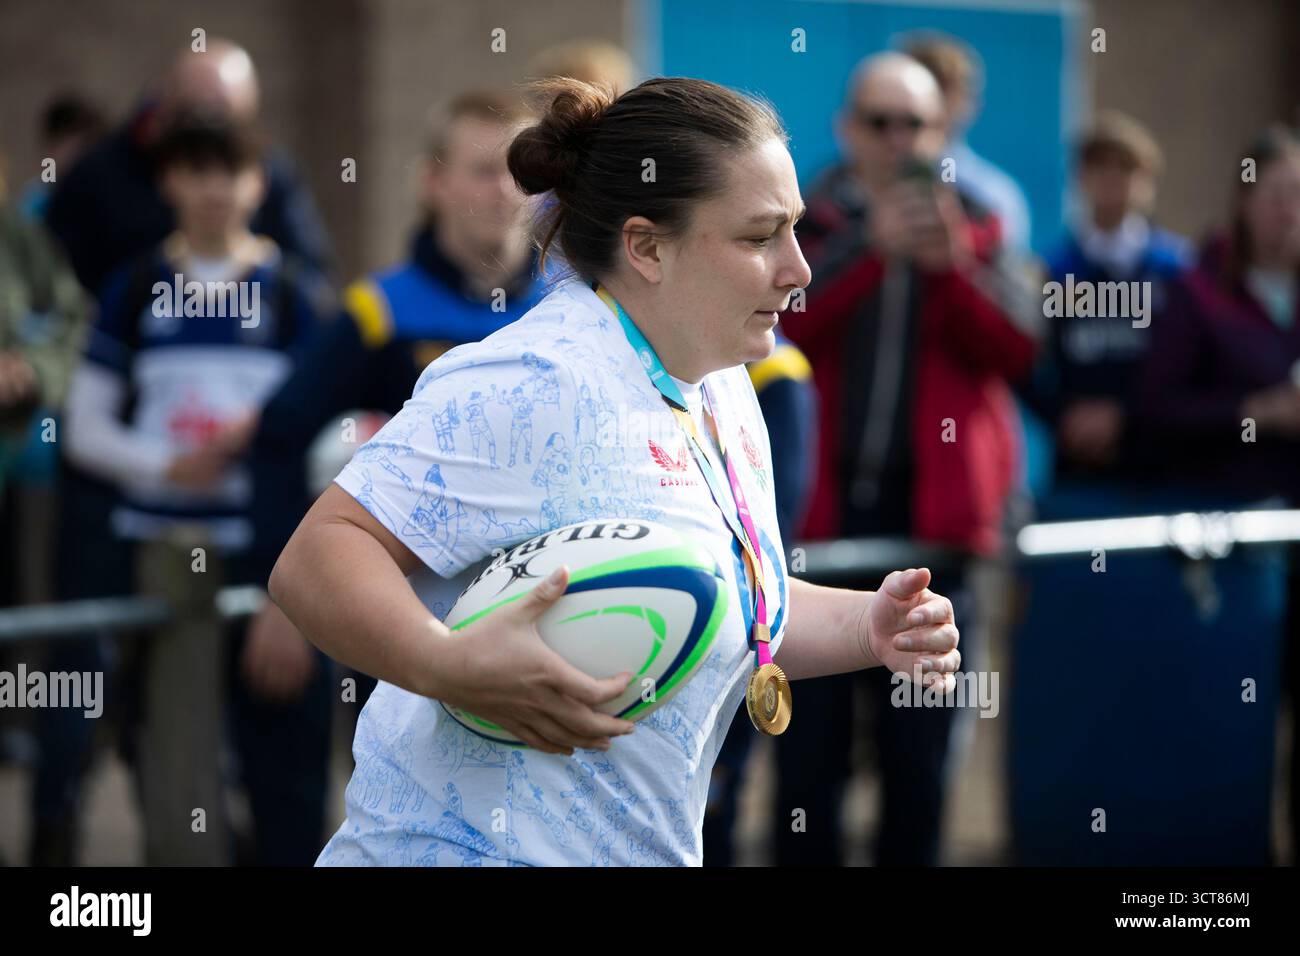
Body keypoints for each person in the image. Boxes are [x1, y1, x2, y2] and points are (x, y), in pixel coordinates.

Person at [269, 76, 962, 867]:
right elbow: (314, 560)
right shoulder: (535, 378)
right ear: (646, 246)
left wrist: (867, 625)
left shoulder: (725, 389)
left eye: (797, 230)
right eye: (759, 236)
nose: (799, 268)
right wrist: (445, 663)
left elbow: (721, 598)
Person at [778, 52, 1039, 866]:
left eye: (915, 124)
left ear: (944, 130)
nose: (897, 140)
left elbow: (1025, 350)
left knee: (917, 765)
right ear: (847, 129)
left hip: (933, 534)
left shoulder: (979, 225)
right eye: (879, 122)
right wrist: (867, 250)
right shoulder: (804, 225)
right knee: (806, 766)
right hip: (819, 529)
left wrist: (948, 266)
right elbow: (777, 332)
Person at [62, 116, 332, 865]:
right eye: (196, 170)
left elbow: (338, 432)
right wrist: (164, 465)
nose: (215, 189)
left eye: (232, 171)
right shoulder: (135, 287)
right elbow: (81, 426)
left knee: (280, 749)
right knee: (177, 751)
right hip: (166, 548)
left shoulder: (295, 296)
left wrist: (265, 427)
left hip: (273, 555)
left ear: (258, 184)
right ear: (168, 182)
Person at [250, 89, 546, 720]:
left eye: (522, 173)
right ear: (431, 181)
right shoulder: (378, 313)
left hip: (546, 613)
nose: (505, 190)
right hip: (402, 639)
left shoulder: (573, 311)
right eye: (483, 170)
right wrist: (280, 595)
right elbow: (277, 438)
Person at [1132, 127, 1300, 864]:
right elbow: (1153, 412)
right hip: (1230, 552)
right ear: (1245, 201)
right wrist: (1254, 413)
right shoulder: (1196, 292)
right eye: (1278, 196)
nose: (1290, 213)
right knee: (1232, 724)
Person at [1029, 111, 1189, 490]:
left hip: (1160, 469)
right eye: (1101, 168)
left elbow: (1188, 366)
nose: (1114, 181)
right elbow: (1028, 363)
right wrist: (1063, 416)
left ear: (1148, 182)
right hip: (1077, 469)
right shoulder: (1054, 270)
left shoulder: (1176, 270)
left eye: (1127, 169)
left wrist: (1126, 415)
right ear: (1081, 179)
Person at [904, 33, 1032, 252]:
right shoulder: (860, 184)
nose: (935, 105)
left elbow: (1008, 278)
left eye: (945, 90)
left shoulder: (994, 195)